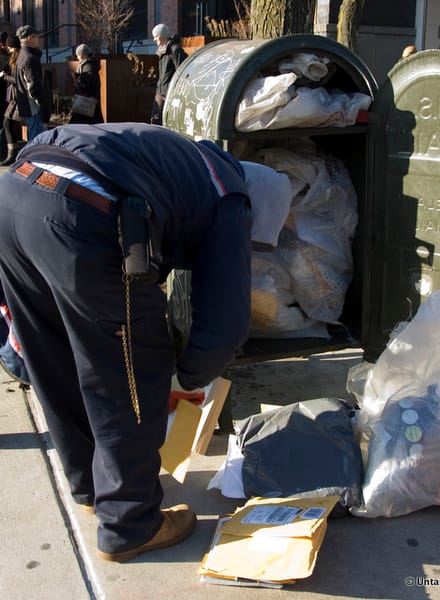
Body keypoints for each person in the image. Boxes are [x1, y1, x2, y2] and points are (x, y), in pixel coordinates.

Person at [0, 122, 291, 562]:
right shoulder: (232, 199)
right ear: (257, 209)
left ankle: (92, 486)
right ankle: (130, 523)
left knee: (56, 355)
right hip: (81, 217)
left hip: (14, 197)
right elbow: (226, 325)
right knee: (133, 368)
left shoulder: (184, 159)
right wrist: (185, 377)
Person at [15, 25, 49, 141]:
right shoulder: (30, 58)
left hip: (27, 107)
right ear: (30, 38)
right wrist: (43, 105)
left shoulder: (21, 56)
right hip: (34, 109)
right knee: (38, 144)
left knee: (34, 143)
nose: (39, 39)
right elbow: (33, 86)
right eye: (37, 37)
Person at [150, 24, 187, 125]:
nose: (154, 39)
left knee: (168, 120)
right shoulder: (161, 51)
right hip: (161, 90)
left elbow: (182, 71)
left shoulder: (175, 50)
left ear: (162, 35)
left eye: (156, 36)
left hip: (170, 92)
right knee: (155, 119)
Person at [0, 34, 23, 166]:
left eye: (10, 47)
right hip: (14, 98)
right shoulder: (14, 58)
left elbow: (20, 81)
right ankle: (12, 154)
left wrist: (5, 77)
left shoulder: (19, 59)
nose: (9, 50)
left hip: (19, 98)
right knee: (7, 123)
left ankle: (13, 155)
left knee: (7, 123)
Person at [70, 43, 103, 124]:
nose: (77, 58)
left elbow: (84, 85)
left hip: (85, 104)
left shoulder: (85, 66)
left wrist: (76, 78)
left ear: (81, 55)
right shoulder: (92, 65)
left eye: (77, 55)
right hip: (92, 103)